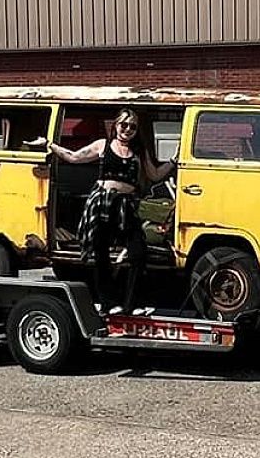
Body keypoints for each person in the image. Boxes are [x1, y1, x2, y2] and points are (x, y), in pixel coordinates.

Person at [30, 109, 175, 314]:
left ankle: (132, 304)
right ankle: (108, 303)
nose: (127, 129)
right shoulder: (103, 145)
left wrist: (174, 160)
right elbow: (73, 157)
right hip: (102, 203)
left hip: (126, 206)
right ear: (115, 125)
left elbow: (155, 174)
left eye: (132, 126)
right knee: (101, 255)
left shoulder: (139, 151)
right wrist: (49, 144)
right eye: (124, 124)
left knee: (138, 252)